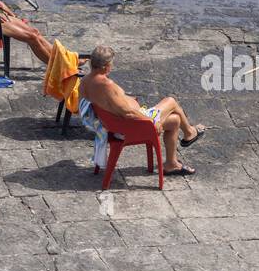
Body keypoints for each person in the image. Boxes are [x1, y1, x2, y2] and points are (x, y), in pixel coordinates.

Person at [78, 44, 205, 176]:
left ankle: (173, 161)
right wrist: (151, 121)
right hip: (128, 126)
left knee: (175, 120)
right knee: (171, 102)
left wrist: (126, 100)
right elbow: (128, 113)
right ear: (105, 66)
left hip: (109, 124)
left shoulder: (85, 82)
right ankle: (188, 134)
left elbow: (96, 104)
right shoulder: (106, 84)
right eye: (111, 64)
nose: (112, 67)